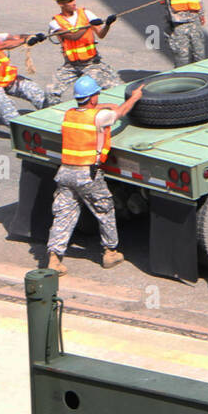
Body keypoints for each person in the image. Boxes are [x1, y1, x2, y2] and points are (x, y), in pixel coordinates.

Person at [45, 76, 143, 273]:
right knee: (104, 210)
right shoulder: (98, 118)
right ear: (92, 98)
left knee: (63, 215)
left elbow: (92, 111)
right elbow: (121, 112)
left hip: (65, 174)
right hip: (87, 175)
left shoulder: (70, 114)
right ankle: (110, 252)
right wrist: (134, 98)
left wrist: (103, 104)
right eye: (97, 94)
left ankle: (54, 260)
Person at [44, 0, 123, 101]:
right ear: (60, 4)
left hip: (91, 63)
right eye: (69, 1)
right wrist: (88, 26)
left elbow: (101, 34)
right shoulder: (55, 22)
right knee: (51, 91)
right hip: (70, 66)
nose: (74, 2)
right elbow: (72, 36)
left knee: (112, 87)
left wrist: (107, 25)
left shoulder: (86, 14)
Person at [0, 12, 48, 123]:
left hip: (5, 79)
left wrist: (33, 37)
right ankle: (18, 129)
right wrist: (24, 41)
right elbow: (2, 46)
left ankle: (52, 113)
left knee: (33, 89)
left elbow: (16, 37)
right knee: (5, 103)